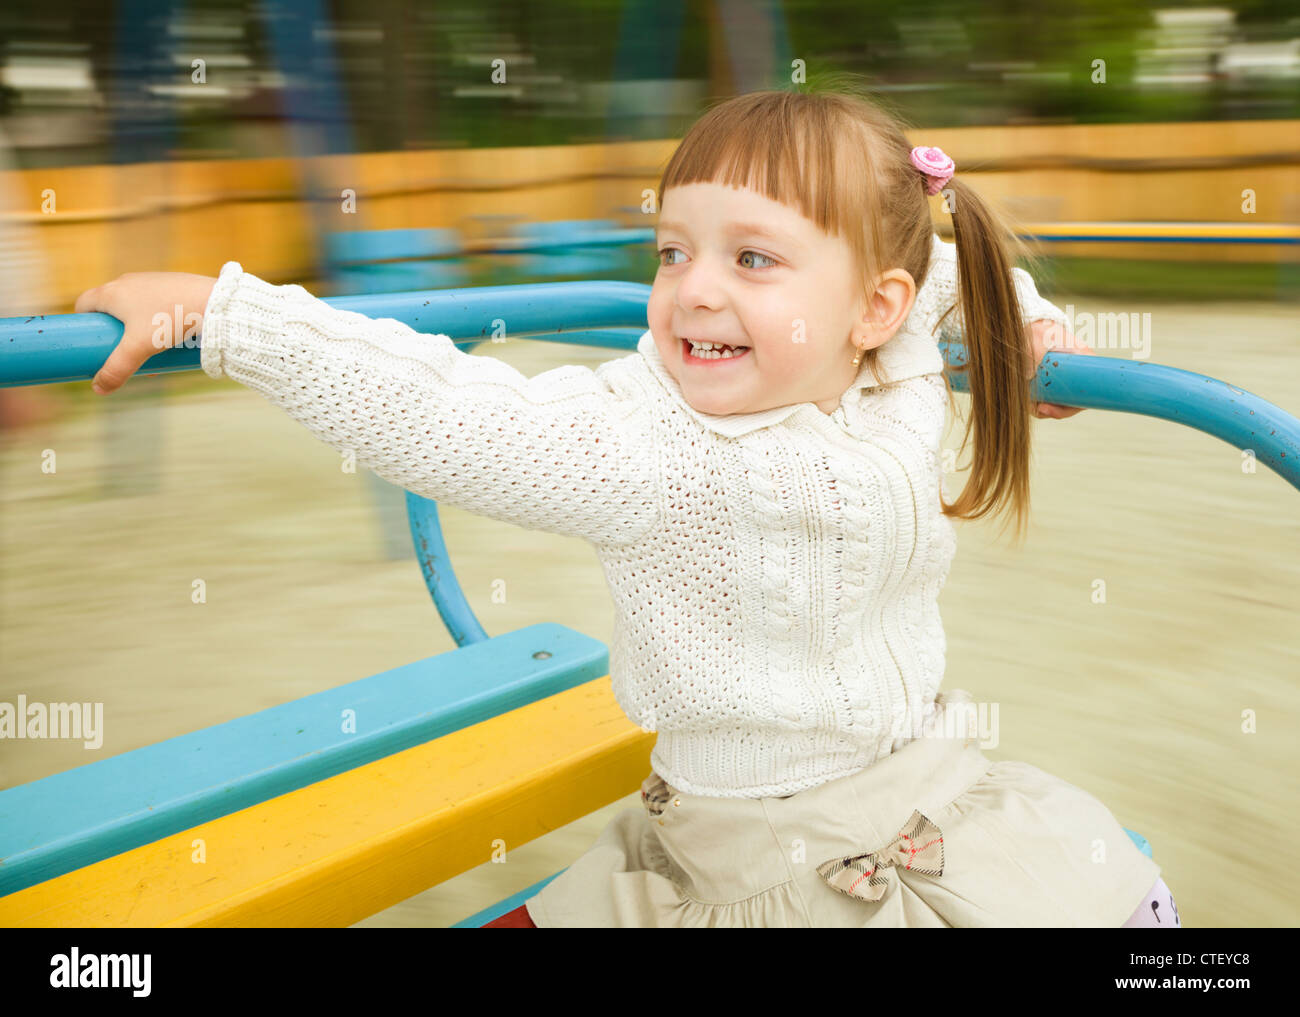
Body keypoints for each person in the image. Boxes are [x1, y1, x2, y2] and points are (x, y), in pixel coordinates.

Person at [74, 84, 1178, 928]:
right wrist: (228, 317)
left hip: (913, 800)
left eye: (753, 257)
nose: (695, 288)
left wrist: (1027, 325)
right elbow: (441, 409)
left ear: (868, 311)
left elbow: (945, 269)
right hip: (747, 847)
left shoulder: (892, 369)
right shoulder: (650, 445)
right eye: (673, 249)